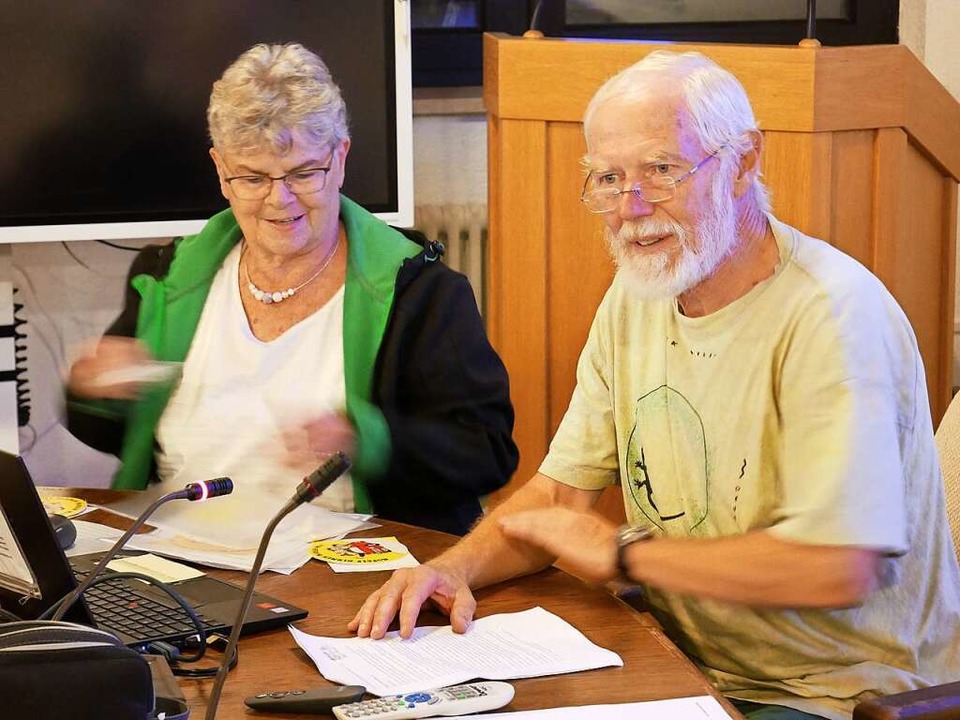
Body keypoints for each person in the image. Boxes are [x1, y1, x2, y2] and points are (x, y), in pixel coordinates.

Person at [348, 51, 960, 720]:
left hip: (833, 694)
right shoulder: (638, 294)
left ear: (743, 161)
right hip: (679, 662)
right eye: (608, 178)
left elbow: (841, 566)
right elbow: (560, 496)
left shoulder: (834, 315)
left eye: (662, 170)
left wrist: (624, 554)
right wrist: (450, 571)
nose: (629, 208)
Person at [66, 42, 518, 539]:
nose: (279, 199)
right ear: (221, 171)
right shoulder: (168, 278)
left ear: (340, 158)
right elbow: (114, 437)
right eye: (252, 178)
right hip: (177, 557)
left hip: (344, 563)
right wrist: (96, 392)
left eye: (303, 173)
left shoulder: (421, 293)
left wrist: (366, 439)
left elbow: (487, 453)